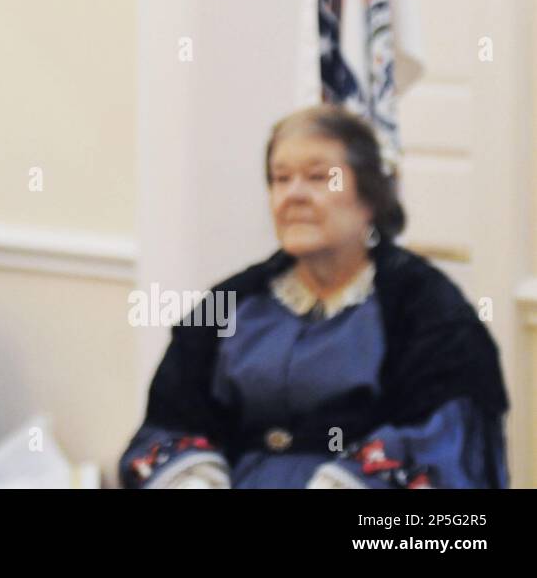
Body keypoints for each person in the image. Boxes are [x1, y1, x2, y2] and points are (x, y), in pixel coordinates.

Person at [120, 105, 507, 489]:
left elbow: (444, 444)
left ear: (370, 196)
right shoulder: (230, 302)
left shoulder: (427, 309)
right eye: (280, 178)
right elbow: (171, 423)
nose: (294, 195)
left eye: (319, 177)